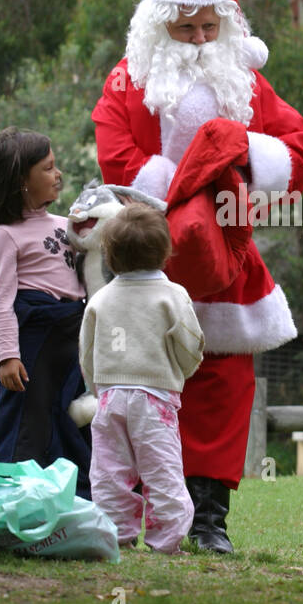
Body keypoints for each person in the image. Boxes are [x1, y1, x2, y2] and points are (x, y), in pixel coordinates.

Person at [92, 0, 303, 552]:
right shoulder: (127, 79)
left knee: (222, 385)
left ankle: (209, 518)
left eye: (209, 28)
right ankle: (132, 516)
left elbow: (294, 147)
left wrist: (238, 169)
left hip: (226, 258)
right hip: (149, 252)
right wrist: (173, 187)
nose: (198, 40)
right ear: (160, 24)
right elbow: (115, 154)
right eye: (186, 28)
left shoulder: (243, 79)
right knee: (140, 380)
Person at [79, 204, 205, 553]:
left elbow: (87, 352)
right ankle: (166, 539)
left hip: (110, 397)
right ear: (165, 253)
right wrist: (180, 372)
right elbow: (190, 346)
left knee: (109, 471)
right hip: (155, 400)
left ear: (110, 257)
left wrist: (96, 387)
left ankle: (116, 533)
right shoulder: (172, 296)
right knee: (162, 469)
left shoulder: (101, 299)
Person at [0, 127, 91, 499]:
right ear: (21, 181)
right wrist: (8, 356)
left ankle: (78, 499)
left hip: (72, 339)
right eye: (48, 168)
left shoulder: (68, 226)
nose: (58, 175)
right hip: (33, 348)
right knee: (28, 422)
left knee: (72, 419)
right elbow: (3, 302)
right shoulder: (6, 235)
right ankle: (12, 502)